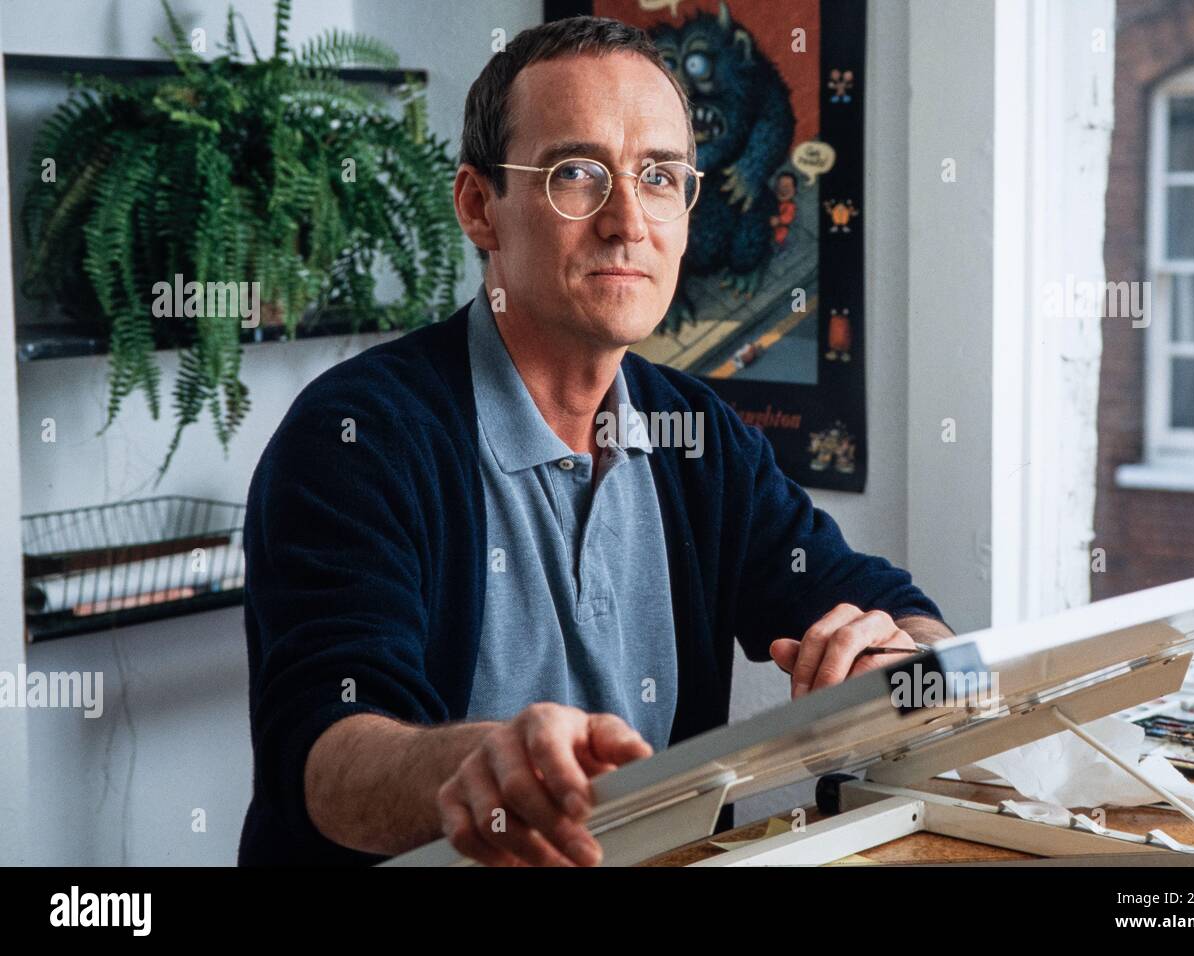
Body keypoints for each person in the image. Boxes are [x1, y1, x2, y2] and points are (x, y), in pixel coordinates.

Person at [238, 15, 950, 868]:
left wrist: (907, 657)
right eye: (576, 173)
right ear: (479, 207)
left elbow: (895, 609)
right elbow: (325, 757)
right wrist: (482, 770)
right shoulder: (355, 438)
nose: (627, 221)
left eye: (659, 176)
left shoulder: (701, 440)